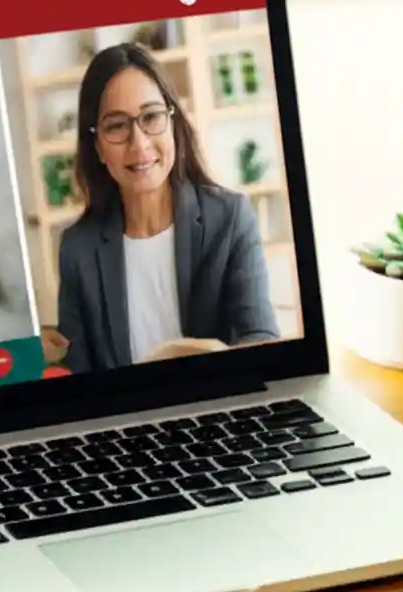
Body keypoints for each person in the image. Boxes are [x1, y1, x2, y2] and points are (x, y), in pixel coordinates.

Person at [55, 43, 280, 374]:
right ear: (98, 147)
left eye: (151, 117)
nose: (140, 143)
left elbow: (260, 339)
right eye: (116, 125)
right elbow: (77, 374)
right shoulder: (78, 248)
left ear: (173, 122)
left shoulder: (230, 219)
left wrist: (215, 357)